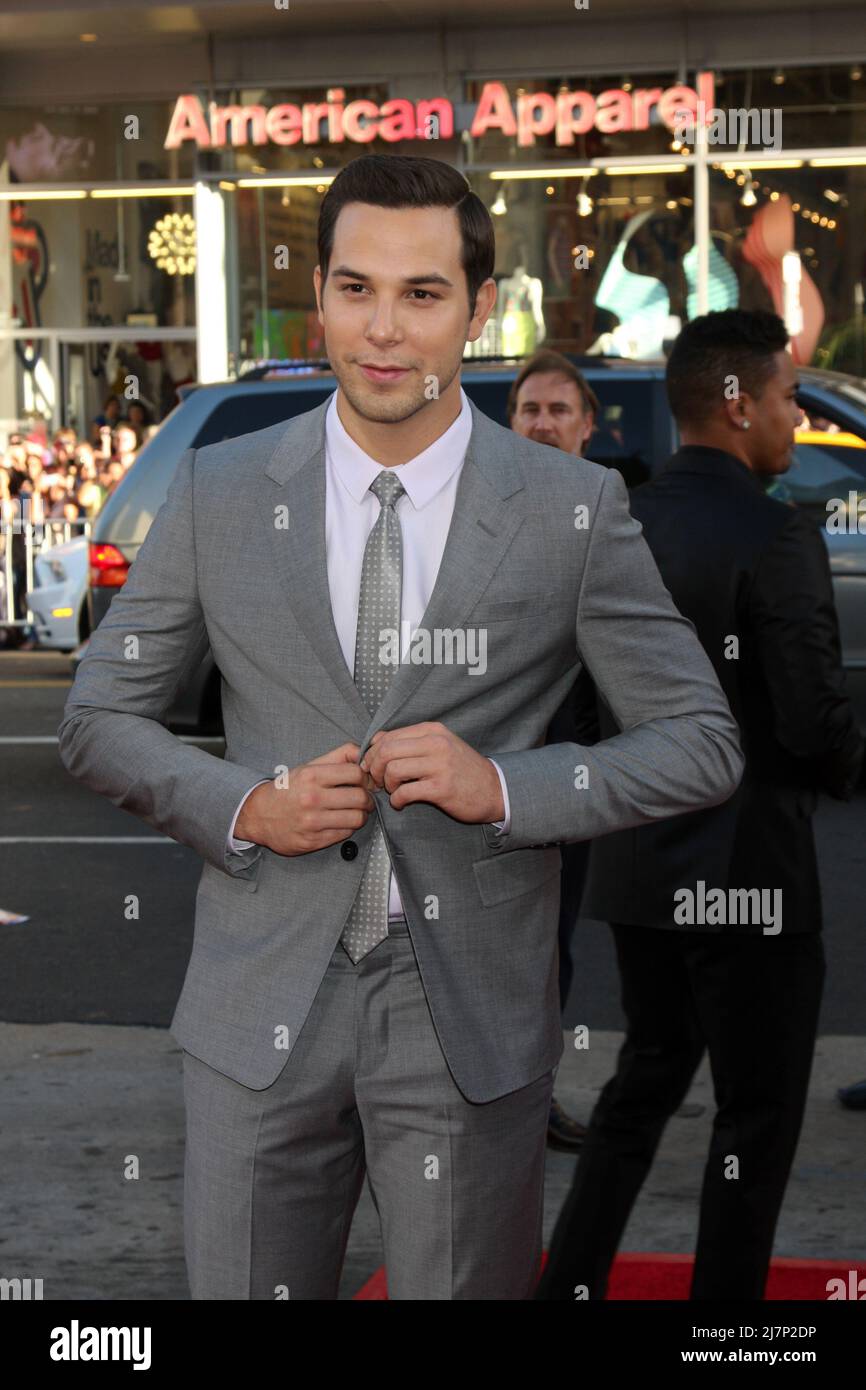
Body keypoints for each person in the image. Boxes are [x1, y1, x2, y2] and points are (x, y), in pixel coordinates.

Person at [58, 153, 743, 1301]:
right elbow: (97, 716)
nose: (382, 329)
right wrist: (246, 805)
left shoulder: (569, 510)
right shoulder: (222, 491)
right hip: (257, 1011)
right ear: (318, 294)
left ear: (478, 308)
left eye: (421, 293)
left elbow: (699, 740)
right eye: (355, 288)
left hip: (465, 1018)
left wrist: (507, 788)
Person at [537, 309, 864, 1302]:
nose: (794, 418)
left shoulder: (618, 524)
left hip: (639, 871)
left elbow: (581, 709)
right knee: (754, 1120)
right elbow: (811, 723)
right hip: (753, 876)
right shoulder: (777, 533)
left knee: (641, 1085)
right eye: (785, 398)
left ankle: (568, 1287)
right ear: (736, 405)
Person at [508, 349, 600, 1152]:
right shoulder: (466, 511)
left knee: (549, 950)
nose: (542, 424)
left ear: (587, 426)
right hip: (464, 780)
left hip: (566, 784)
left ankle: (529, 1102)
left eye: (558, 410)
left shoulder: (608, 518)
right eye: (529, 409)